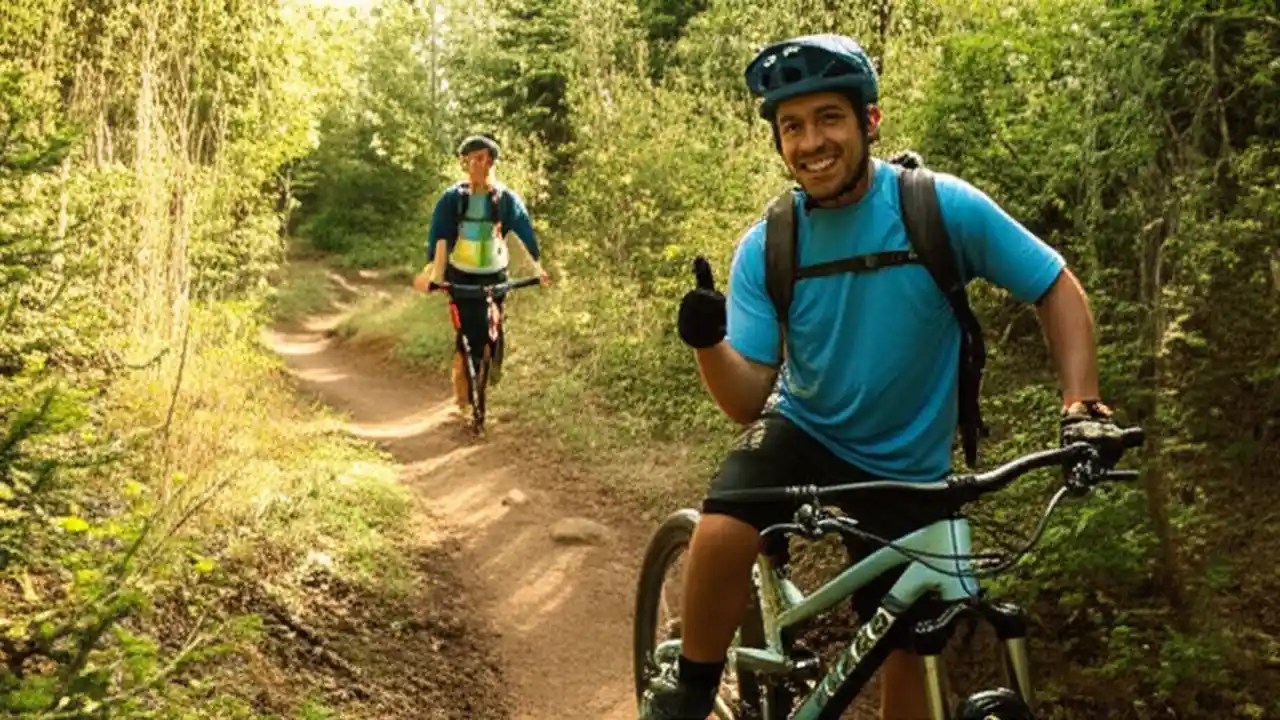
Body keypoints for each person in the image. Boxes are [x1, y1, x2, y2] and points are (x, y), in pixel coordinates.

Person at [641, 34, 1122, 720]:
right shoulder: (769, 244)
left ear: (869, 120)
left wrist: (1082, 405)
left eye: (828, 118)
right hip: (805, 430)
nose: (811, 142)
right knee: (727, 519)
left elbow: (1055, 288)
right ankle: (689, 691)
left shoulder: (940, 209)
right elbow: (746, 399)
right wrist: (708, 343)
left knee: (913, 650)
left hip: (911, 467)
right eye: (792, 127)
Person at [414, 134, 551, 415]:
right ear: (465, 162)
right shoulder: (453, 199)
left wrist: (538, 270)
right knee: (466, 334)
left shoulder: (505, 199)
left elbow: (524, 234)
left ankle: (490, 365)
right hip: (461, 276)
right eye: (475, 159)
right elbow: (440, 238)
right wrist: (435, 275)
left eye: (486, 160)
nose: (481, 165)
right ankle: (463, 394)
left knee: (493, 329)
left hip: (494, 275)